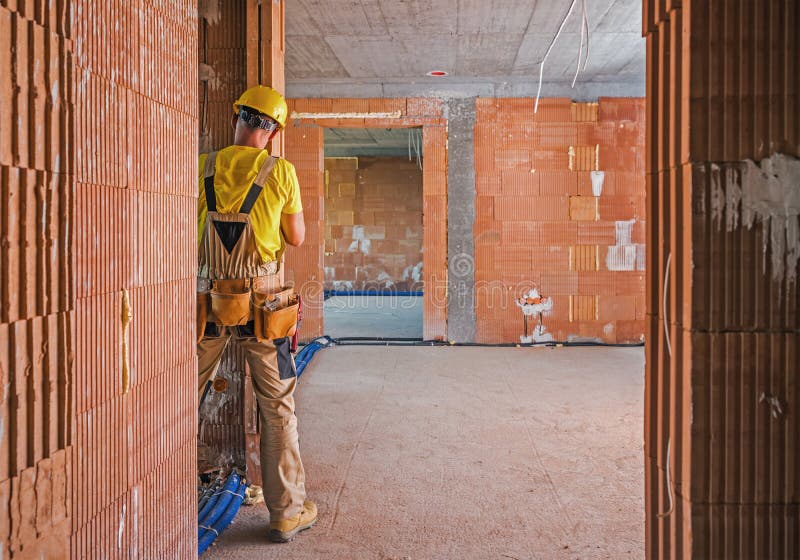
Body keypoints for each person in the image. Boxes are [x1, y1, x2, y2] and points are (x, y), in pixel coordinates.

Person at [196, 85, 315, 543]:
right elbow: (297, 237)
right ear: (274, 131)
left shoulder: (202, 167)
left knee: (179, 393)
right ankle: (287, 512)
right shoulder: (280, 172)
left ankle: (161, 495)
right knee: (277, 406)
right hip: (265, 308)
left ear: (238, 119)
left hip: (207, 301)